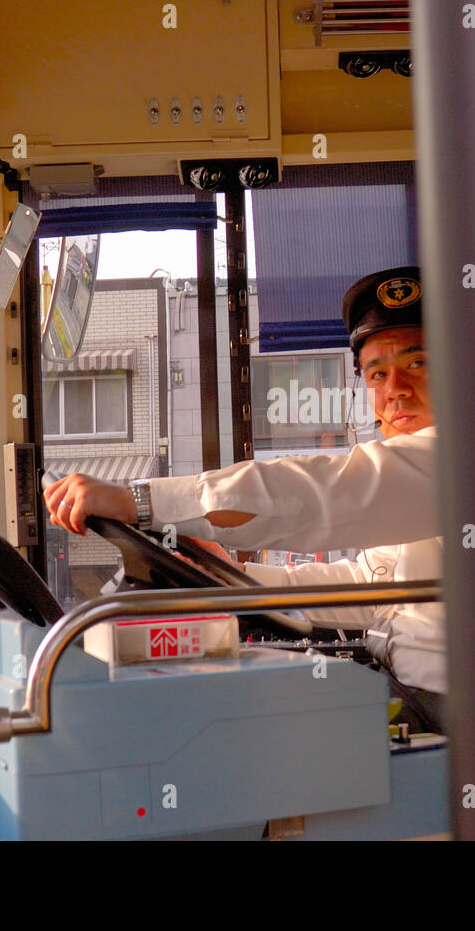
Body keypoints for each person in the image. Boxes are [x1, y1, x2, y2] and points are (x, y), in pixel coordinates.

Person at [44, 266, 444, 732]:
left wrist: (142, 502)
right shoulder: (413, 480)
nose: (394, 388)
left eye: (417, 363)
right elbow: (371, 589)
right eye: (377, 373)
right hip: (403, 689)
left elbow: (324, 494)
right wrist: (234, 579)